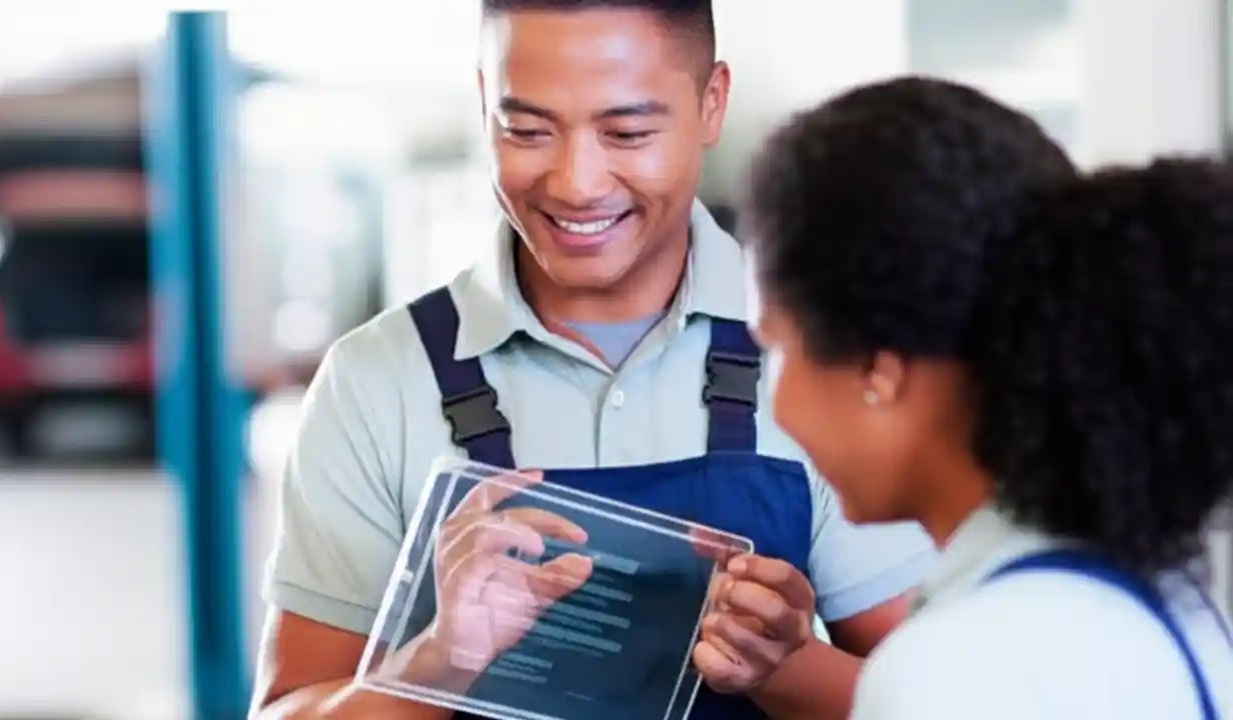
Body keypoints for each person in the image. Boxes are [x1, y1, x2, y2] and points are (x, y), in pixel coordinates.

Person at [249, 2, 935, 719]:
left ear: (712, 103)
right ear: (484, 103)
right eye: (528, 130)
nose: (576, 184)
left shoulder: (829, 355)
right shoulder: (378, 382)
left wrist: (788, 668)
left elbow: (952, 699)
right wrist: (438, 660)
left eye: (627, 133)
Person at [743, 75, 1233, 719]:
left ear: (876, 367)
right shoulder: (1165, 599)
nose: (779, 408)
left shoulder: (956, 666)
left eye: (778, 348)